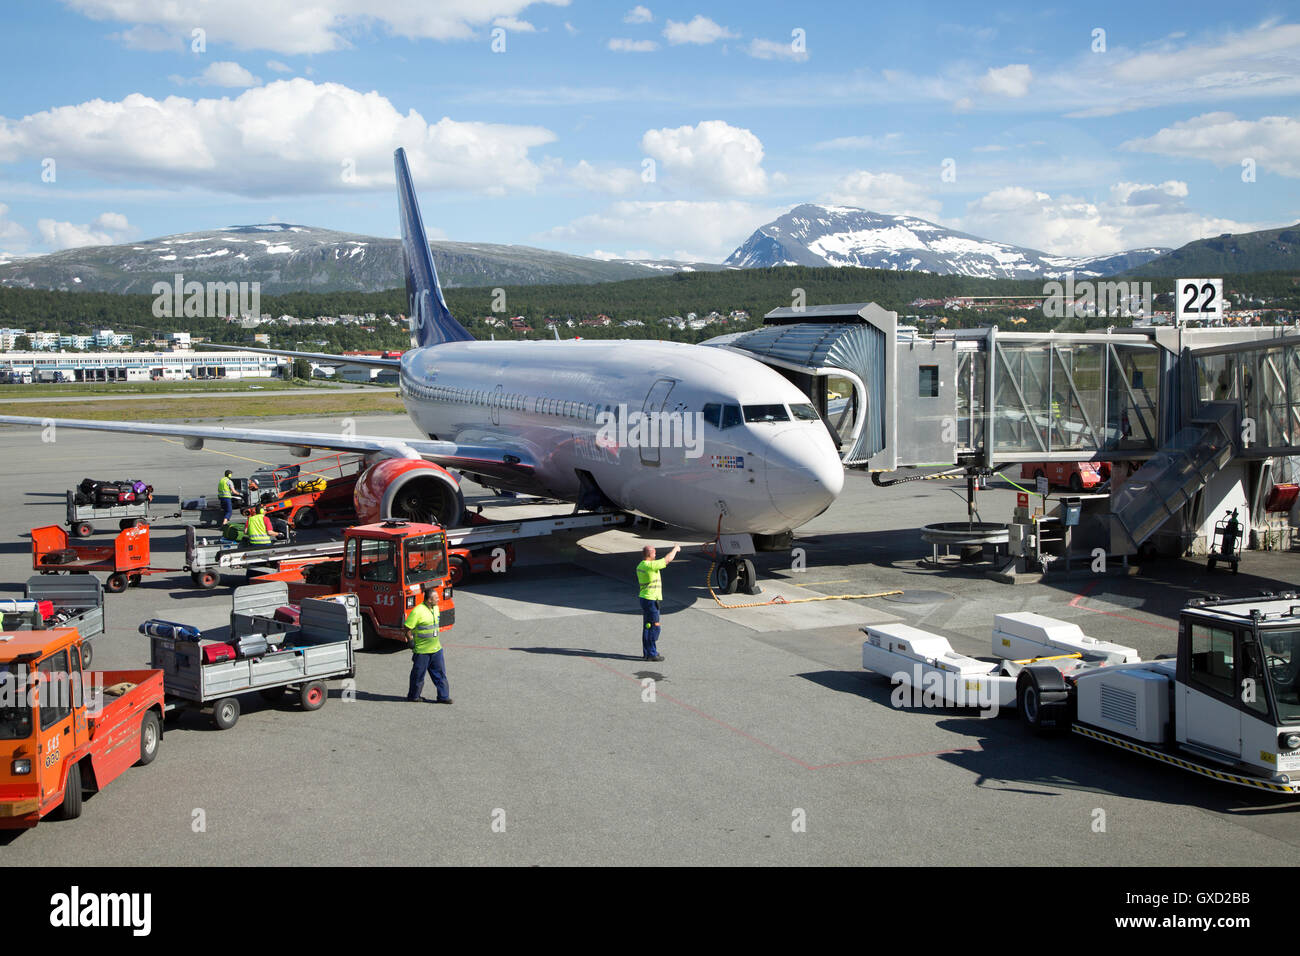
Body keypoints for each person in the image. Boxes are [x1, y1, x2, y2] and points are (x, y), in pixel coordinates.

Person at [636, 543, 680, 662]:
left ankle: (647, 652)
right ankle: (652, 653)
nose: (656, 554)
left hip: (645, 598)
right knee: (655, 627)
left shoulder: (641, 565)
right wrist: (675, 549)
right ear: (650, 554)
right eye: (654, 553)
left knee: (647, 626)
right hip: (651, 600)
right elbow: (667, 560)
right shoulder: (650, 566)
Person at [404, 595, 451, 703]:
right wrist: (410, 640)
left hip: (436, 649)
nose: (438, 599)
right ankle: (414, 696)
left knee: (440, 675)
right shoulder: (417, 611)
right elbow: (407, 627)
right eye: (436, 598)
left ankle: (443, 697)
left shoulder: (436, 608)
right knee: (418, 675)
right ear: (429, 600)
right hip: (422, 651)